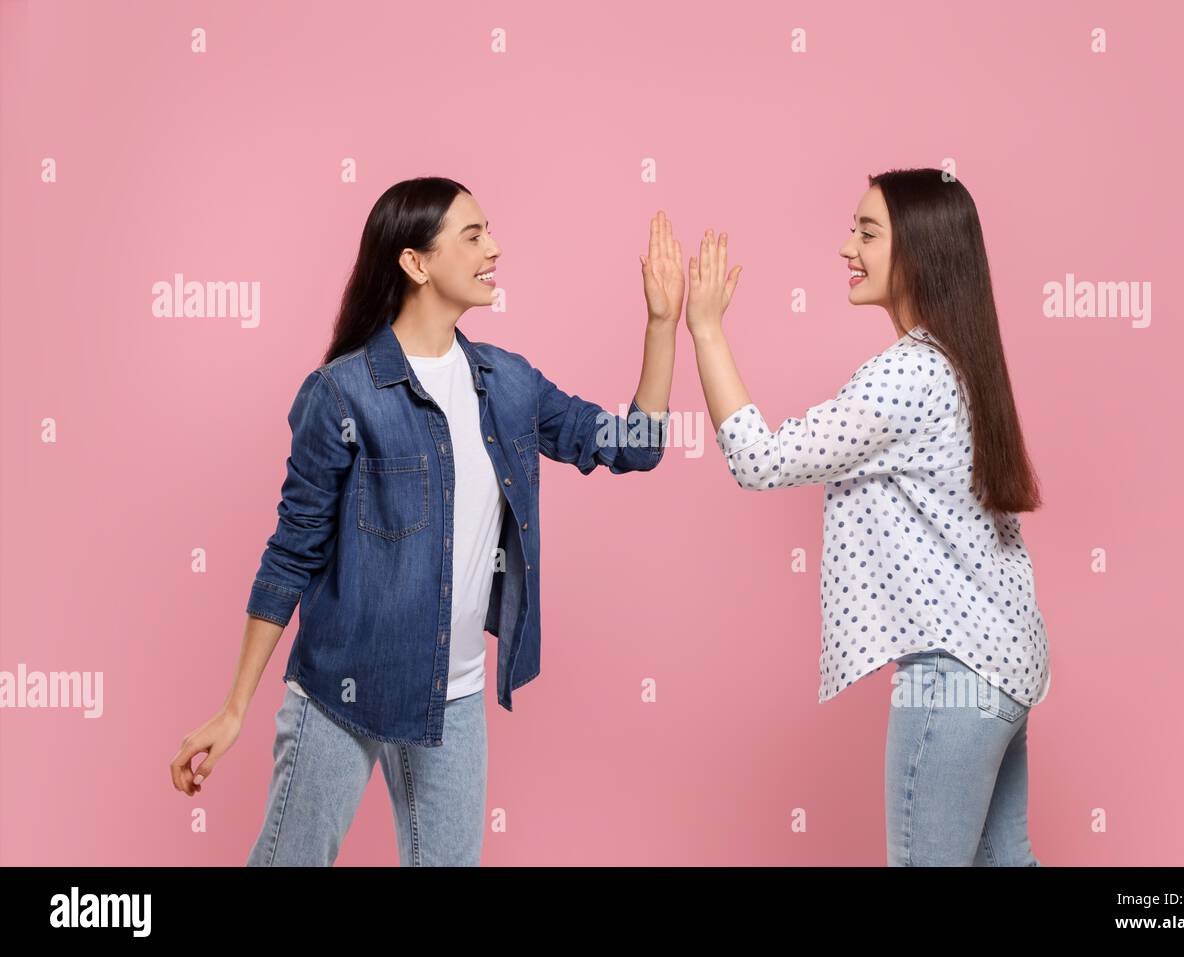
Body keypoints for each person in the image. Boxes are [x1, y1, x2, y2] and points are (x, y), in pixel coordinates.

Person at [168, 177, 683, 866]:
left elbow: (635, 448)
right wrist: (235, 706)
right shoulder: (342, 392)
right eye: (472, 236)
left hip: (455, 696)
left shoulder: (510, 383)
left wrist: (660, 326)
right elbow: (292, 552)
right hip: (340, 692)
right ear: (415, 263)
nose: (494, 247)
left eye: (488, 232)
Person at [684, 168, 1050, 866]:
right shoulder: (963, 361)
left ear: (917, 250)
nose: (846, 246)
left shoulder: (911, 373)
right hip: (1006, 666)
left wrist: (706, 331)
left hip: (953, 677)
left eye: (867, 232)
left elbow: (761, 460)